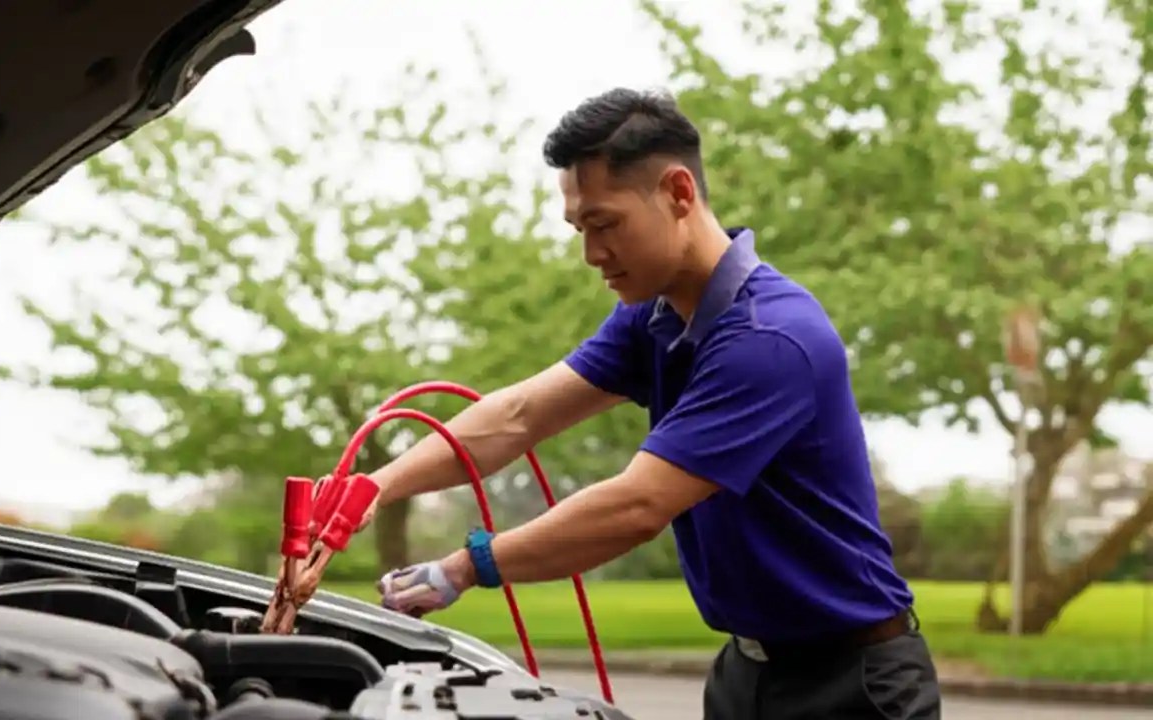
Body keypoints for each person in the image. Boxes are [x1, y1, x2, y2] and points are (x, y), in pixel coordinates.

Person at [359, 87, 942, 720]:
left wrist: (464, 568)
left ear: (679, 193)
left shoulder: (770, 338)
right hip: (744, 676)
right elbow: (519, 415)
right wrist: (368, 490)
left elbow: (636, 506)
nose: (591, 255)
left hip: (852, 687)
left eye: (606, 224)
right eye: (580, 229)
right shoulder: (655, 317)